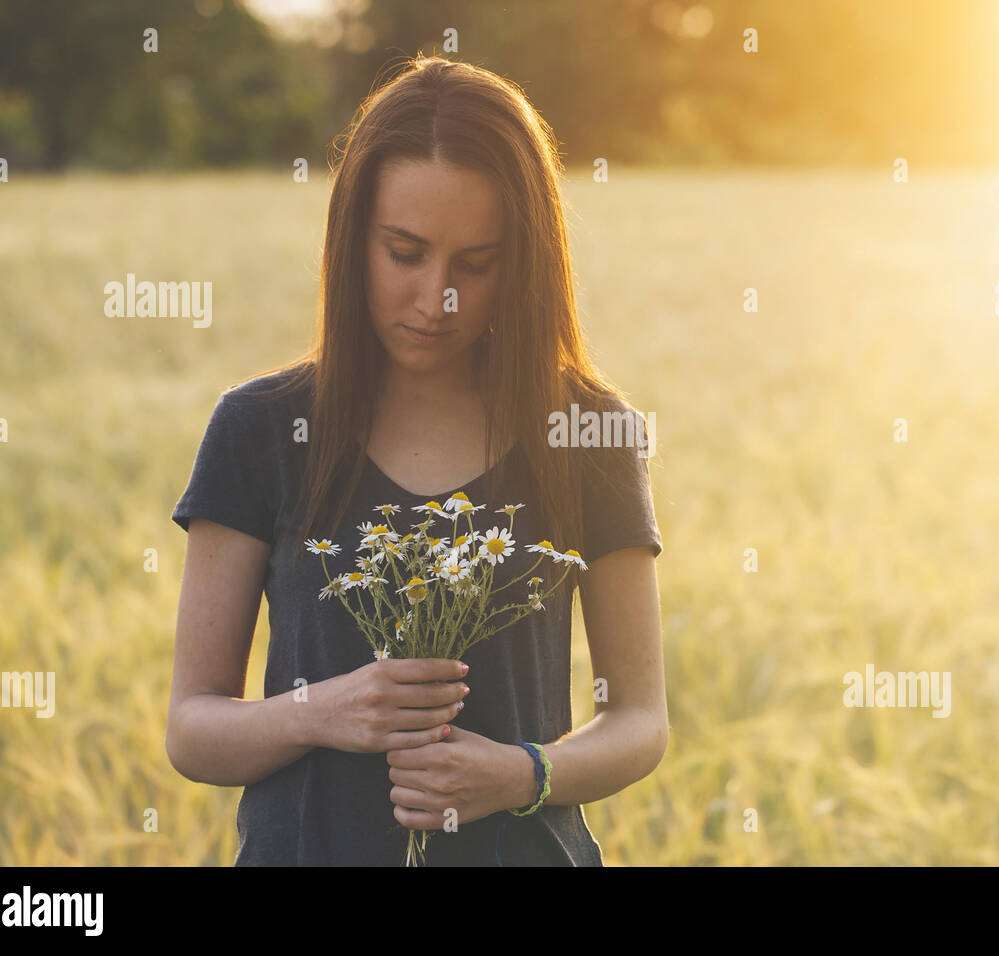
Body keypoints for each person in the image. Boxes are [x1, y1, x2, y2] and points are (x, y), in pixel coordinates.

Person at [164, 56, 667, 866]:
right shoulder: (259, 429)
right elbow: (192, 729)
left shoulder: (590, 433)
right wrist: (321, 711)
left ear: (526, 260)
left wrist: (521, 774)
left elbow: (641, 721)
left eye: (476, 264)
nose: (440, 300)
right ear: (352, 239)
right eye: (405, 253)